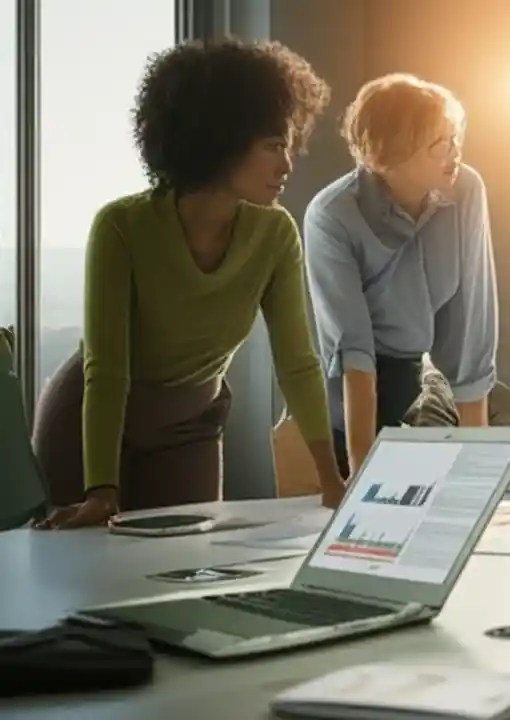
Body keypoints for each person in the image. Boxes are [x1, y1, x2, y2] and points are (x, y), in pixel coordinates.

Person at [33, 38, 344, 529]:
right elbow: (106, 370)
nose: (287, 164)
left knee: (186, 567)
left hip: (190, 426)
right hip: (92, 425)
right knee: (93, 581)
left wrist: (333, 482)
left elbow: (298, 364)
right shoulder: (121, 227)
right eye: (275, 145)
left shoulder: (277, 233)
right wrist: (101, 490)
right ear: (222, 139)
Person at [305, 74, 497, 478]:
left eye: (454, 138)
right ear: (388, 154)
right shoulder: (333, 216)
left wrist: (476, 468)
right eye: (437, 145)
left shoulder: (465, 190)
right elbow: (353, 353)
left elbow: (470, 331)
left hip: (419, 386)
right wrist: (360, 472)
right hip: (354, 399)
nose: (454, 153)